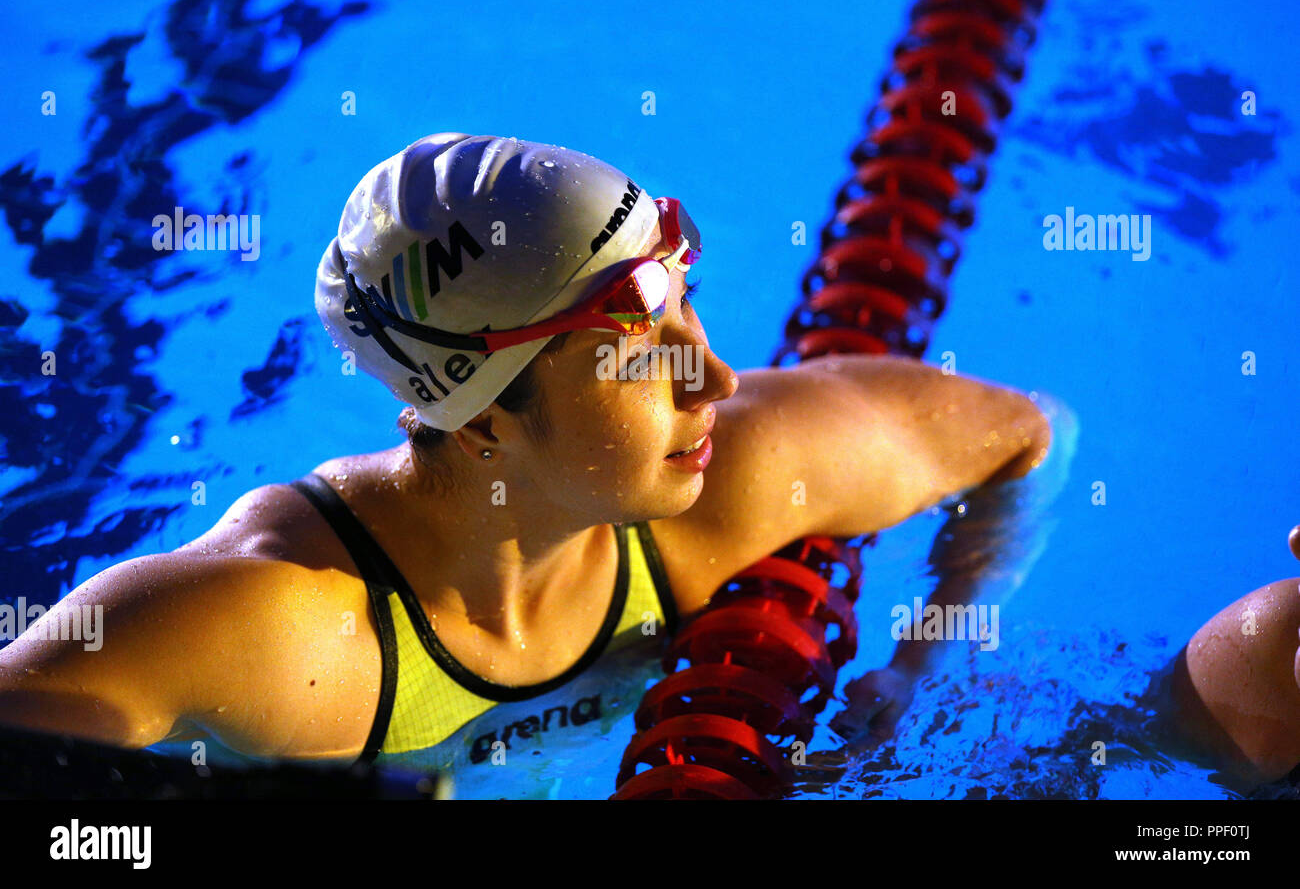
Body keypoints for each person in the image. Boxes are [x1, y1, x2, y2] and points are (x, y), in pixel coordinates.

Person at [0, 133, 1054, 777]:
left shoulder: (730, 478)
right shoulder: (275, 628)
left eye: (689, 310)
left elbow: (1023, 437)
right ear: (484, 422)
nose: (717, 379)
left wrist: (923, 670)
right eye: (639, 357)